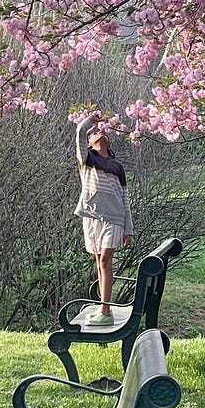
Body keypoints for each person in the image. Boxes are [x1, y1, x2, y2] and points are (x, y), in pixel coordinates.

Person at [74, 112, 133, 322]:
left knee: (106, 261)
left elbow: (125, 198)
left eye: (101, 130)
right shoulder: (87, 159)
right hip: (91, 216)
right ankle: (102, 307)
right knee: (99, 262)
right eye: (95, 132)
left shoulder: (117, 166)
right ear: (89, 143)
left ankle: (106, 310)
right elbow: (80, 131)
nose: (99, 132)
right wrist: (91, 120)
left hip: (114, 218)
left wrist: (128, 228)